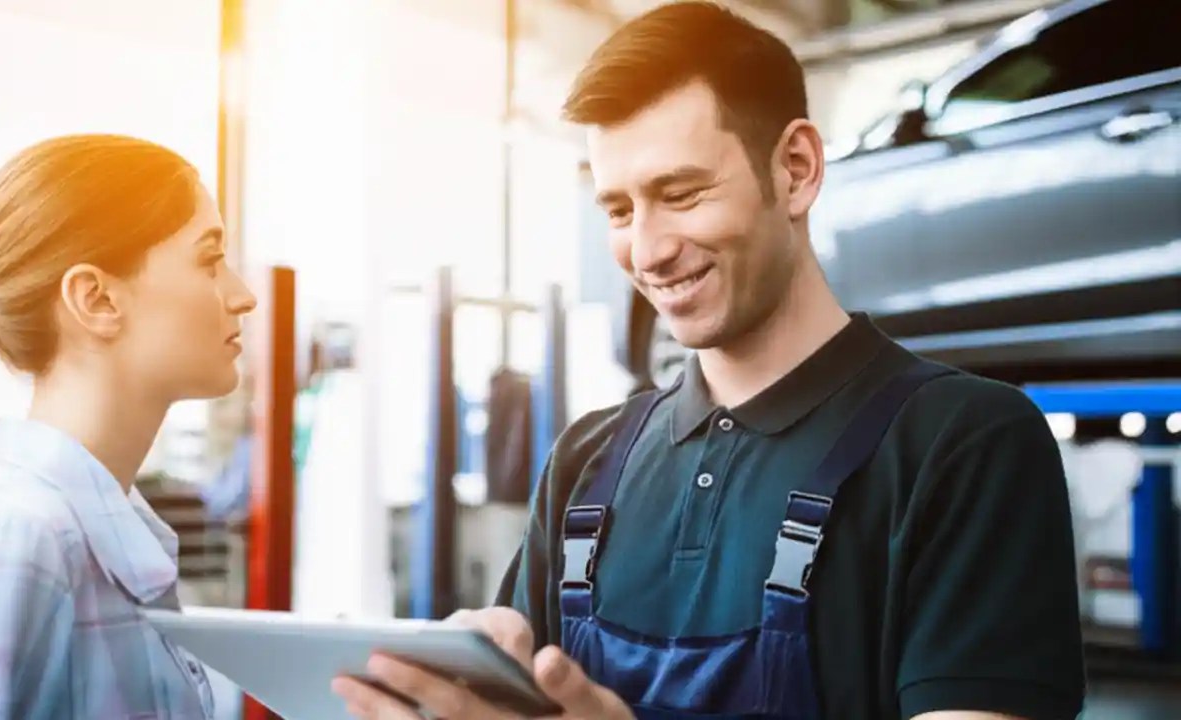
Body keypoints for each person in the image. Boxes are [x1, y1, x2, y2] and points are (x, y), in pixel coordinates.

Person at [334, 3, 1086, 719]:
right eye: (620, 210)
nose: (649, 249)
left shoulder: (965, 446)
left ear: (795, 169)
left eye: (681, 193)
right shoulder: (585, 463)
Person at [0, 134, 257, 718]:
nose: (241, 296)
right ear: (96, 299)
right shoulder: (15, 542)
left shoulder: (95, 534)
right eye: (209, 261)